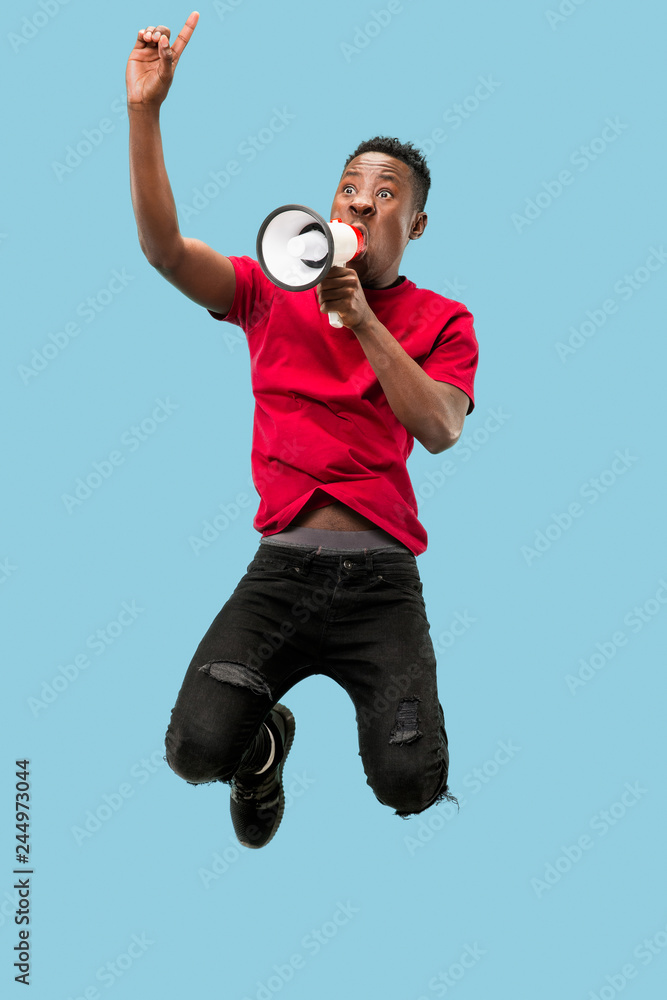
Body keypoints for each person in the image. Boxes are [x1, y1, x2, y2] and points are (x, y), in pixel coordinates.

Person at [126, 12, 479, 849]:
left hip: (382, 585)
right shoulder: (268, 292)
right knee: (194, 749)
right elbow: (165, 250)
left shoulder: (443, 319)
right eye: (349, 187)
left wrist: (363, 324)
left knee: (412, 784)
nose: (360, 200)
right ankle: (264, 749)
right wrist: (146, 111)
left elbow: (439, 427)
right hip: (281, 570)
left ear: (415, 225)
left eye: (384, 192)